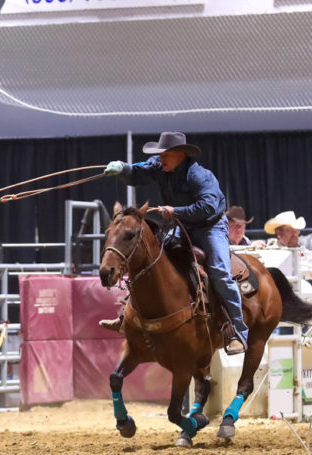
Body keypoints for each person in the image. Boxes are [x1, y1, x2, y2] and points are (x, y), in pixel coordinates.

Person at [99, 131, 248, 355]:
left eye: (166, 154)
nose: (161, 158)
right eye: (160, 154)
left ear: (180, 154)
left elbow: (208, 207)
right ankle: (127, 316)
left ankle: (239, 332)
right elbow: (138, 171)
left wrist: (174, 210)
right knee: (153, 259)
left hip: (210, 227)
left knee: (219, 271)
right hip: (183, 225)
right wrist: (123, 167)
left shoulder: (200, 176)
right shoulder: (159, 166)